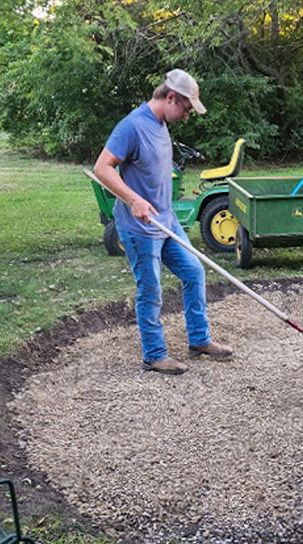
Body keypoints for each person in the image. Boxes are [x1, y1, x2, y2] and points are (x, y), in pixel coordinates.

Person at [93, 69, 233, 375]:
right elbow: (102, 168)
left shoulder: (160, 124)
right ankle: (154, 355)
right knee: (151, 289)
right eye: (186, 109)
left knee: (194, 272)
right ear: (170, 98)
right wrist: (133, 200)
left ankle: (199, 340)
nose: (187, 116)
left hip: (165, 221)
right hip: (140, 229)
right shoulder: (131, 126)